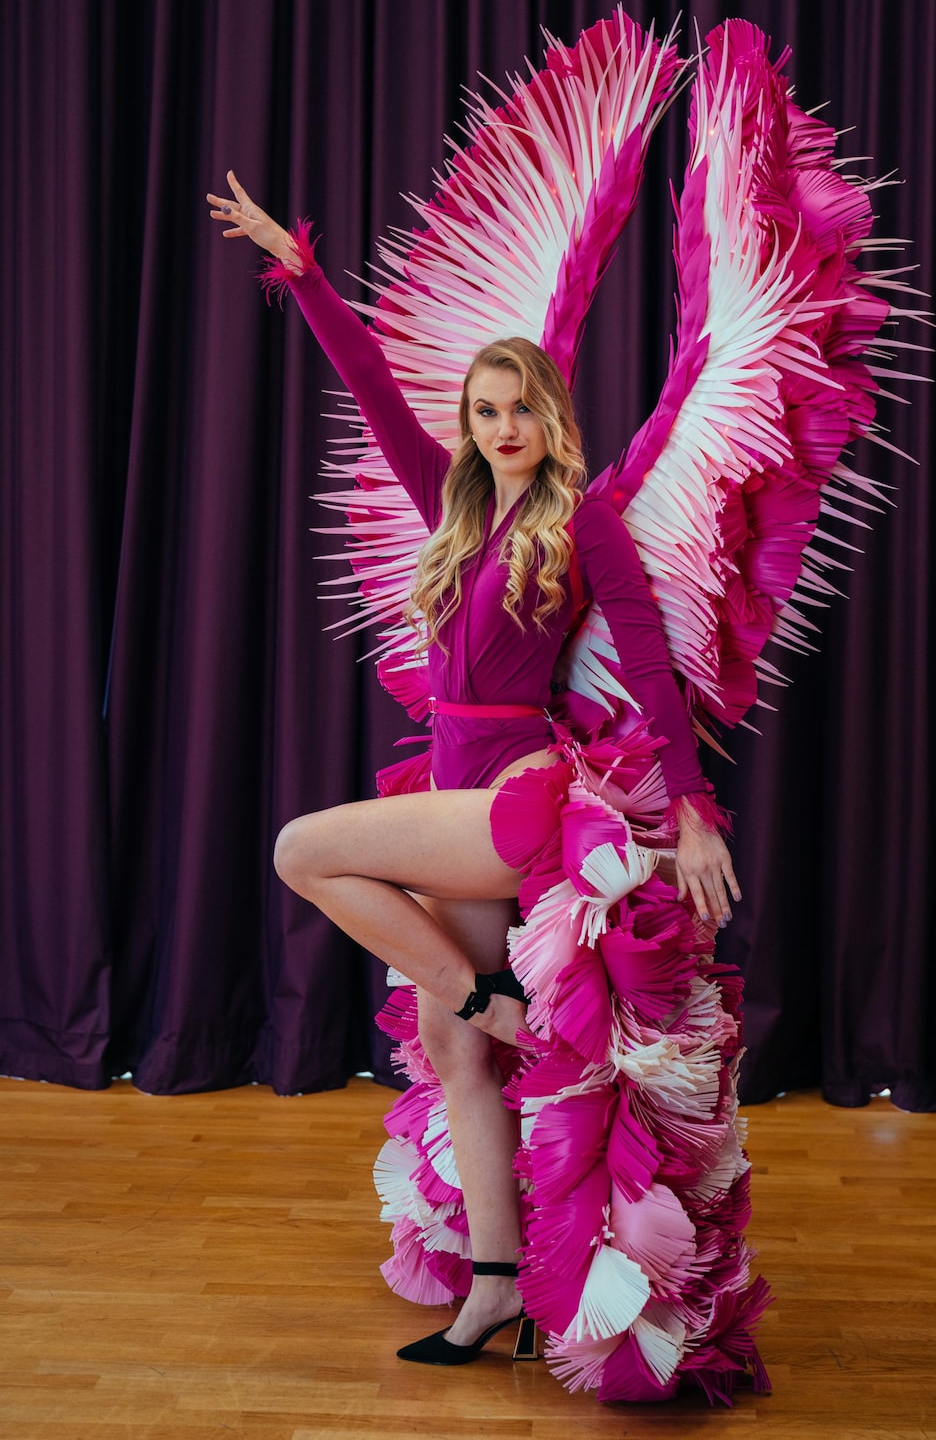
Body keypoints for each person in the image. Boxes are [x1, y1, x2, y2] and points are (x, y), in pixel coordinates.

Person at [206, 170, 741, 1367]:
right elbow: (375, 395)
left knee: (305, 850)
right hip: (451, 787)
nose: (501, 427)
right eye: (485, 410)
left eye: (521, 409)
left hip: (512, 796)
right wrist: (300, 279)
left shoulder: (582, 519)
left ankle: (495, 1002)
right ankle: (497, 1286)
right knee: (458, 1049)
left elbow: (651, 665)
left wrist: (695, 811)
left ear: (553, 417)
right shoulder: (456, 510)